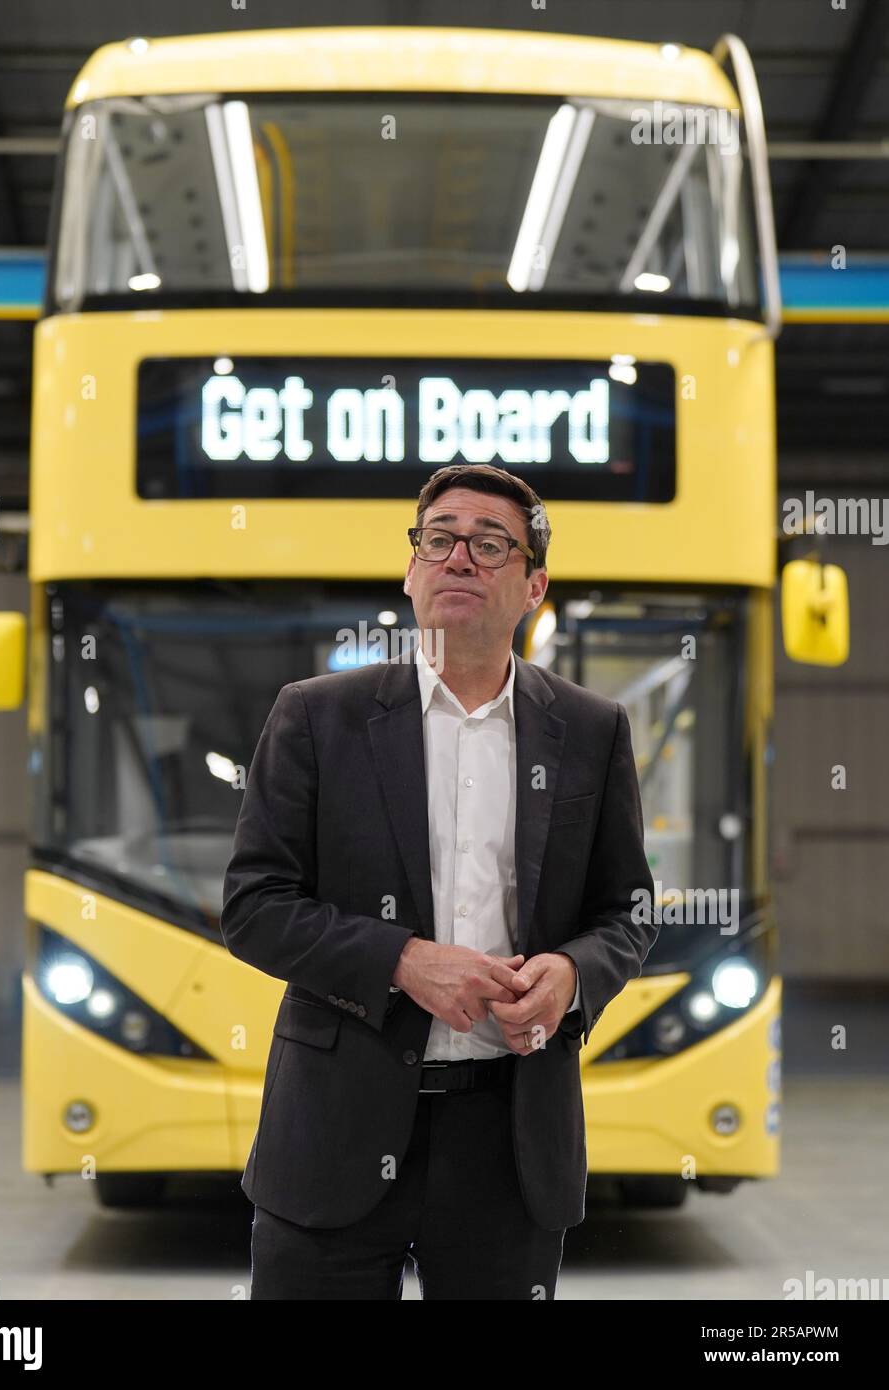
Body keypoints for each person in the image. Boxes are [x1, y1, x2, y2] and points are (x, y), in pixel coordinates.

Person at [220, 462, 658, 1299]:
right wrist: (401, 960)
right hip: (334, 1127)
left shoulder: (592, 731)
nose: (459, 557)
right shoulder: (316, 716)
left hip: (509, 1135)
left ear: (534, 586)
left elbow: (628, 913)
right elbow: (253, 908)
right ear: (411, 569)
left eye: (489, 544)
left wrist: (570, 976)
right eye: (439, 539)